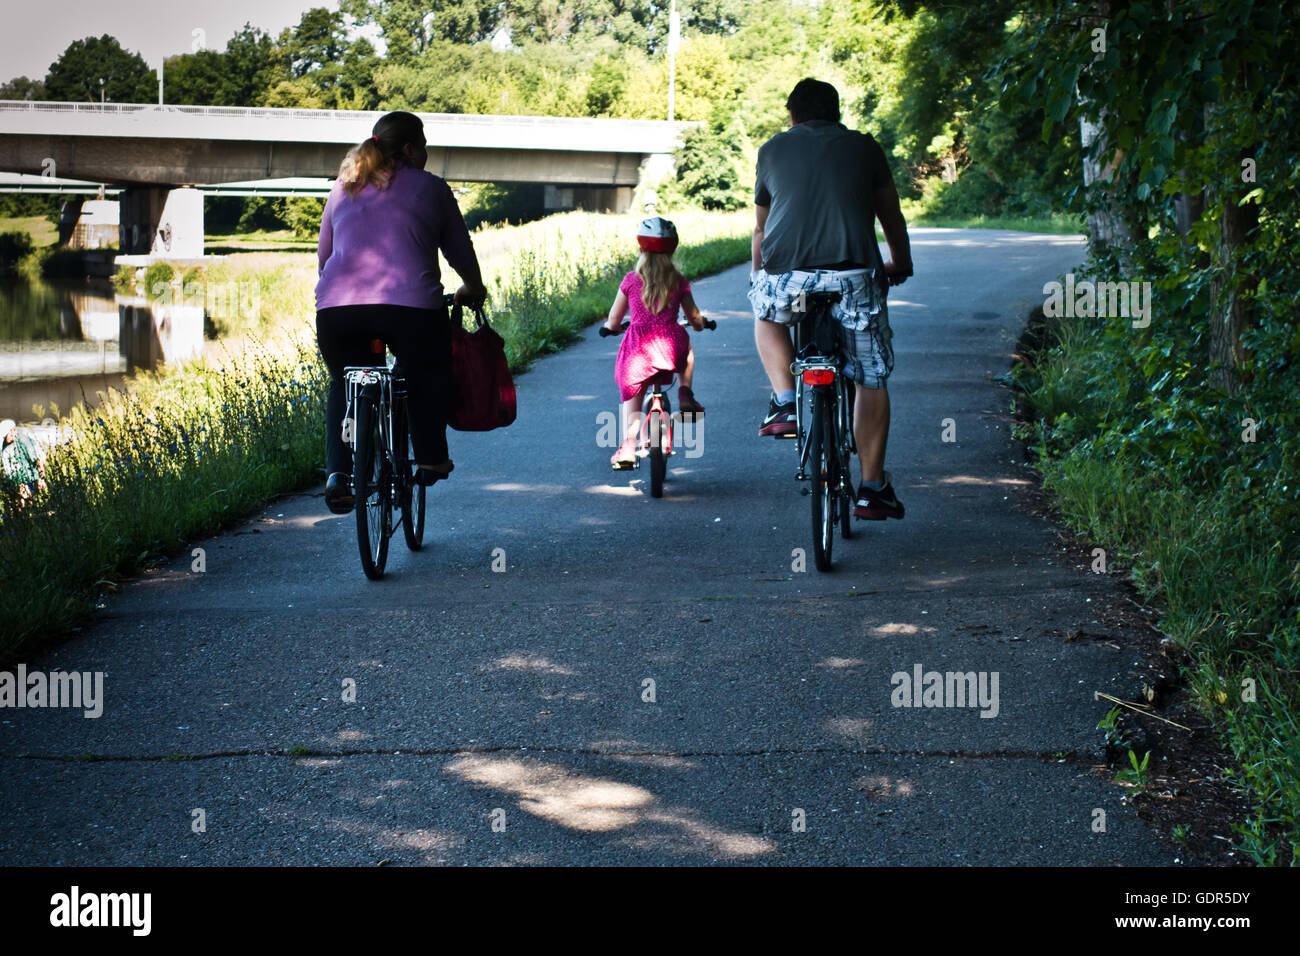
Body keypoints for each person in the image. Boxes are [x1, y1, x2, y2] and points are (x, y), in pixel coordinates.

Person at [748, 78, 913, 520]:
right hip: (855, 275)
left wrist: (757, 275)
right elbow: (889, 214)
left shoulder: (772, 150)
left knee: (766, 314)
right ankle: (872, 488)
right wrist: (900, 262)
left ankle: (785, 401)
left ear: (792, 115)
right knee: (870, 377)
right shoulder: (865, 147)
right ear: (836, 113)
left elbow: (762, 230)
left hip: (788, 275)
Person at [315, 111, 487, 514]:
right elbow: (460, 251)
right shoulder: (432, 188)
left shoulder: (344, 187)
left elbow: (324, 258)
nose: (427, 153)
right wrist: (473, 289)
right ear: (410, 149)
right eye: (423, 144)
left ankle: (338, 475)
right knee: (426, 370)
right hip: (411, 310)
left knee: (345, 381)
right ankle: (429, 456)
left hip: (337, 311)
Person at [603, 217, 708, 469]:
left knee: (635, 388)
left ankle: (629, 444)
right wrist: (700, 324)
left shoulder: (630, 280)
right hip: (670, 347)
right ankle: (685, 393)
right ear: (673, 249)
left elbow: (615, 319)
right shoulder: (678, 280)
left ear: (641, 249)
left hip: (639, 350)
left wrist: (611, 329)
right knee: (688, 351)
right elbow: (693, 316)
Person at [1, 419, 46, 501]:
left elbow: (37, 459)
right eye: (5, 436)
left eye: (13, 431)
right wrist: (19, 485)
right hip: (18, 481)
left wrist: (41, 478)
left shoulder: (23, 440)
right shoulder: (4, 448)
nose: (13, 434)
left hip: (33, 478)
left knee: (37, 499)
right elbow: (9, 470)